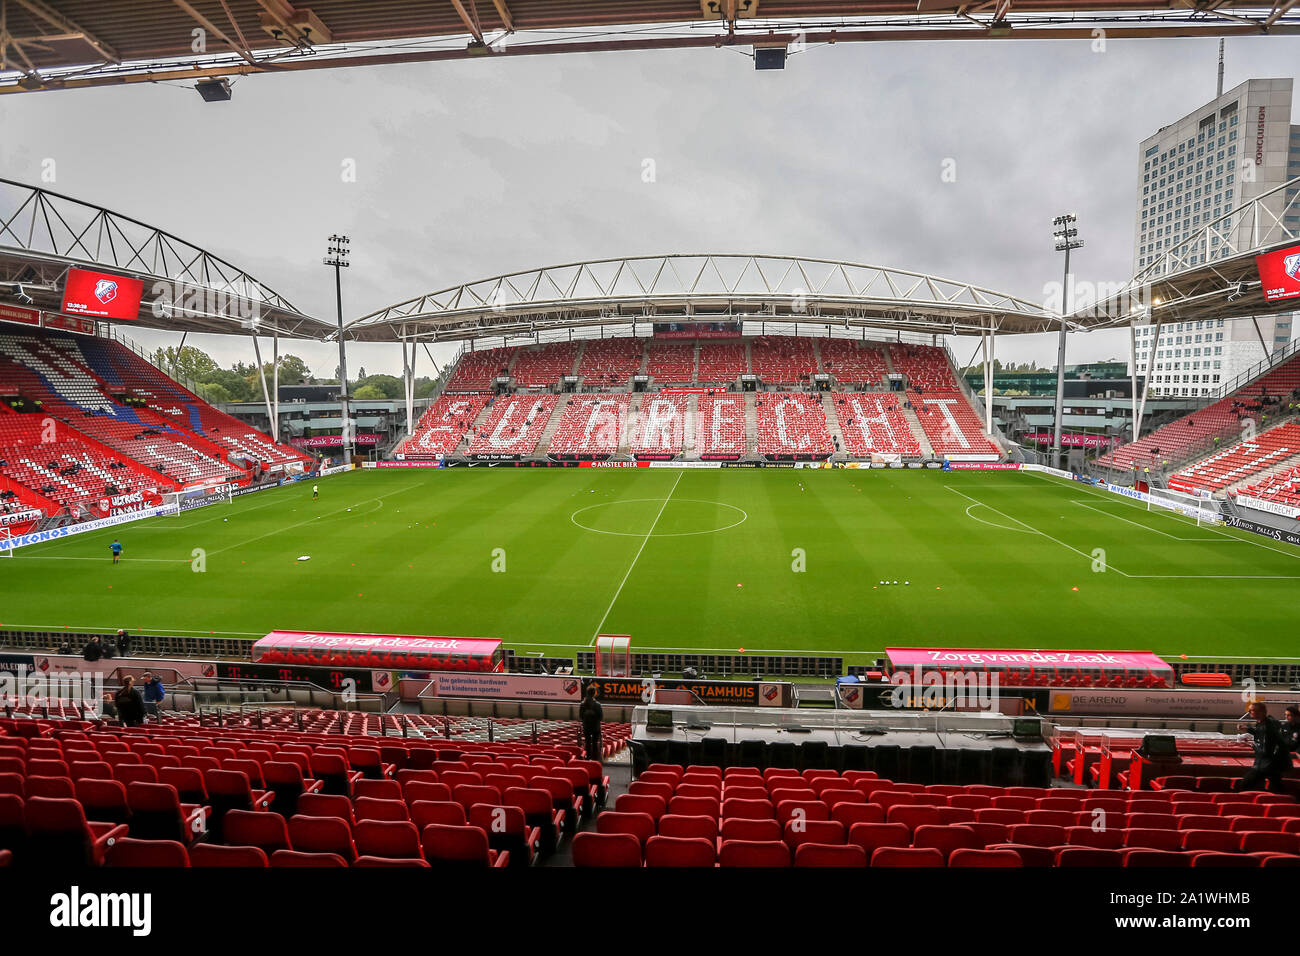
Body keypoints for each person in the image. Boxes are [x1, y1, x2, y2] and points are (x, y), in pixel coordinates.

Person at [1240, 701, 1291, 792]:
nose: (1249, 712)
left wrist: (1252, 745)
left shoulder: (1266, 726)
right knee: (1277, 787)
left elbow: (1266, 749)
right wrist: (1248, 729)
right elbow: (1262, 735)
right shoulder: (1265, 723)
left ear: (1262, 712)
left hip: (1266, 764)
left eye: (1252, 710)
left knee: (1245, 784)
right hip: (1273, 763)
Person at [579, 685, 604, 762]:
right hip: (595, 727)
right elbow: (600, 717)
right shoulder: (597, 705)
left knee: (587, 741)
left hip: (586, 726)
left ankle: (588, 757)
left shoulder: (583, 704)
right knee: (595, 742)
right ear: (594, 694)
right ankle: (595, 758)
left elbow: (581, 716)